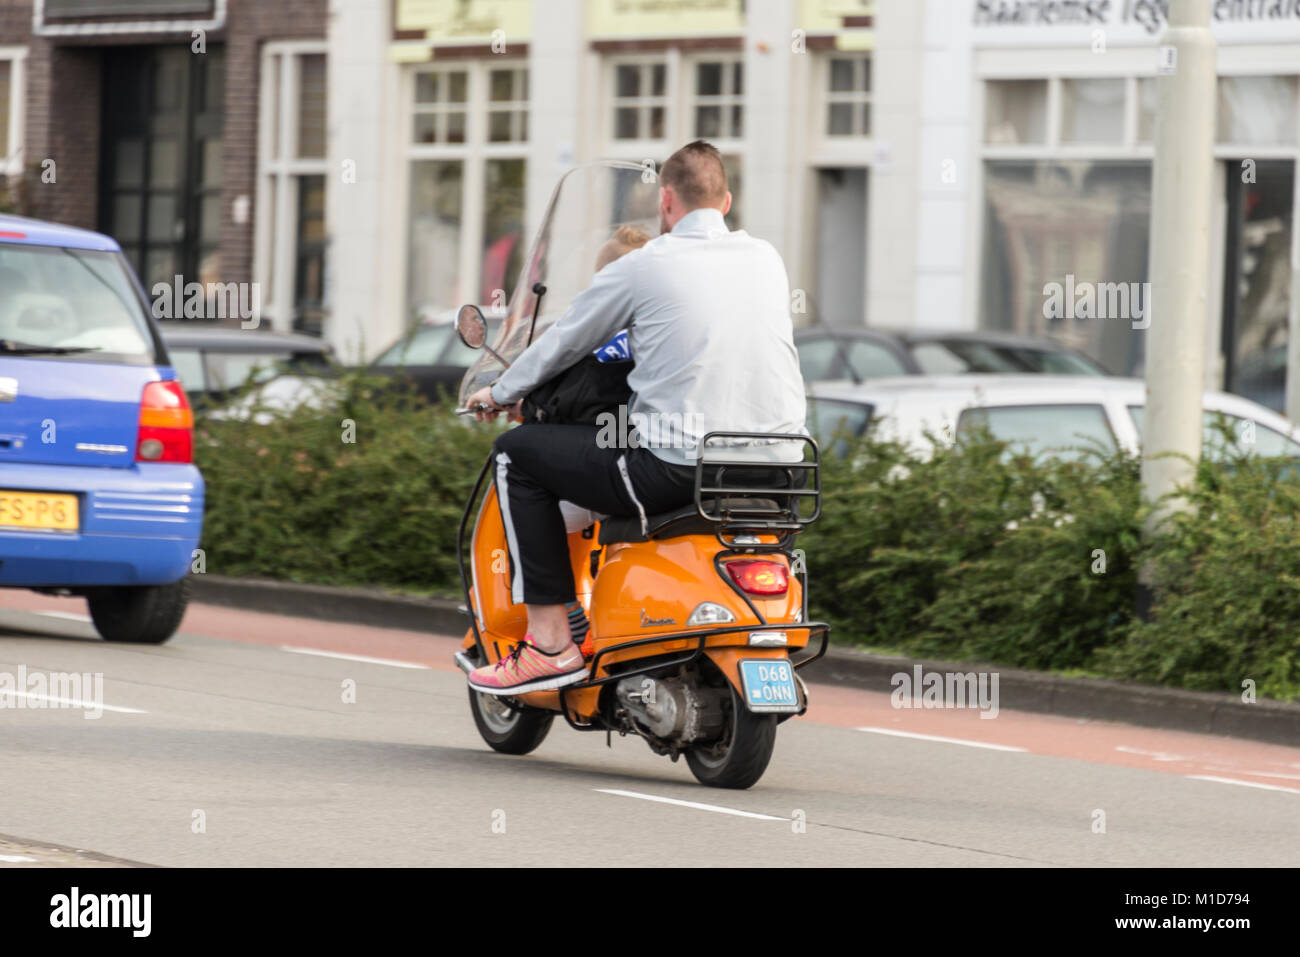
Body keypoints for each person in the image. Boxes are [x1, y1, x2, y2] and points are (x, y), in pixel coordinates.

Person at [463, 140, 806, 695]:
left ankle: (550, 644)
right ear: (726, 202)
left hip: (677, 467)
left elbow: (570, 338)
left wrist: (501, 391)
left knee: (516, 456)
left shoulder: (648, 264)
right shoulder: (766, 259)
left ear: (665, 200)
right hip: (781, 469)